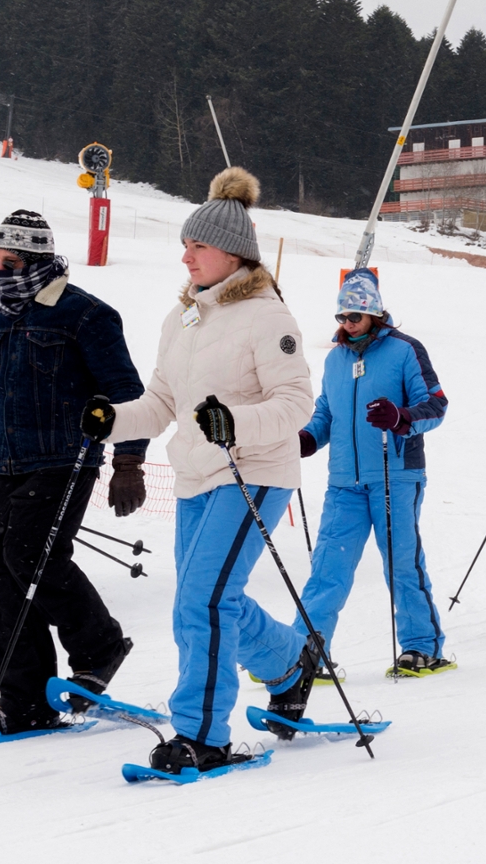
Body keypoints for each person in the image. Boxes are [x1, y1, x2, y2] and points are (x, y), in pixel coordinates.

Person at [84, 167, 319, 775]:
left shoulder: (269, 317)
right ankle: (292, 662)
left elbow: (296, 405)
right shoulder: (183, 318)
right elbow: (161, 402)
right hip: (195, 474)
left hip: (254, 473)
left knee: (203, 601)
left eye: (198, 246)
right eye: (185, 244)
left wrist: (233, 424)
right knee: (208, 599)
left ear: (233, 254)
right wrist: (111, 420)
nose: (185, 255)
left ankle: (202, 734)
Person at [0, 209, 148, 737]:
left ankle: (99, 645)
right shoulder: (1, 317)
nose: (0, 270)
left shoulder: (84, 314)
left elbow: (126, 392)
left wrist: (128, 462)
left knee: (30, 557)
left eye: (10, 261)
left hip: (66, 456)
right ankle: (23, 699)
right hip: (11, 459)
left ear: (38, 259)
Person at [297, 267, 452, 678]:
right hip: (344, 482)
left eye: (354, 317)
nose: (347, 325)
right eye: (341, 318)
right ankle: (304, 651)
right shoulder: (334, 360)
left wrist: (401, 417)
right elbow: (326, 414)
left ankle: (423, 646)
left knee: (401, 563)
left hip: (394, 475)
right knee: (327, 567)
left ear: (374, 315)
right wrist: (308, 440)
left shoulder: (405, 351)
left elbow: (436, 406)